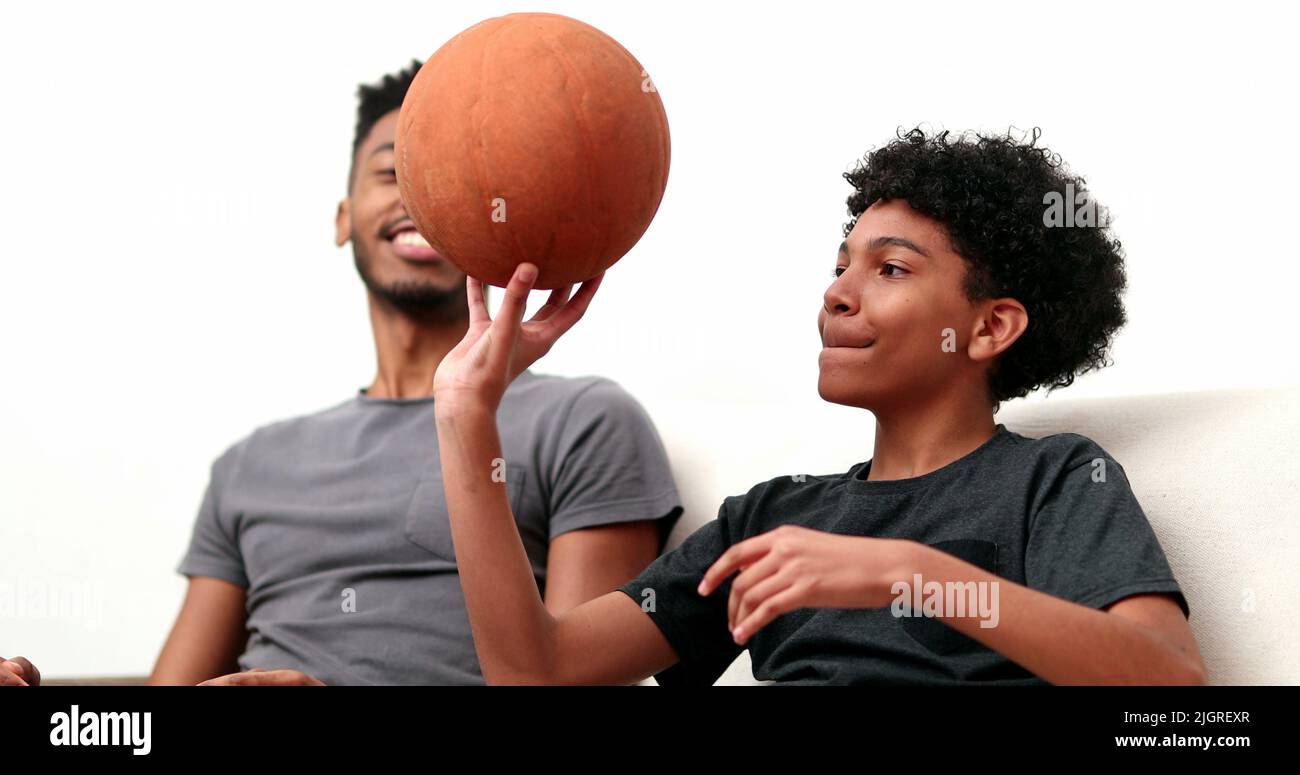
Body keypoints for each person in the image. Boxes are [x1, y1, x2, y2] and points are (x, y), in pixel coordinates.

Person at [427, 127, 1207, 685]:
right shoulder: (770, 519)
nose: (836, 293)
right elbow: (538, 670)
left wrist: (908, 571)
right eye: (840, 265)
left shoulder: (1054, 480)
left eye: (890, 269)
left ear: (991, 325)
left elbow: (1174, 695)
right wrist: (468, 416)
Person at [0, 60, 682, 688]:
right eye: (395, 174)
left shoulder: (587, 420)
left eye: (458, 181)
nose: (420, 199)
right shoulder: (251, 462)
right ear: (342, 217)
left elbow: (569, 680)